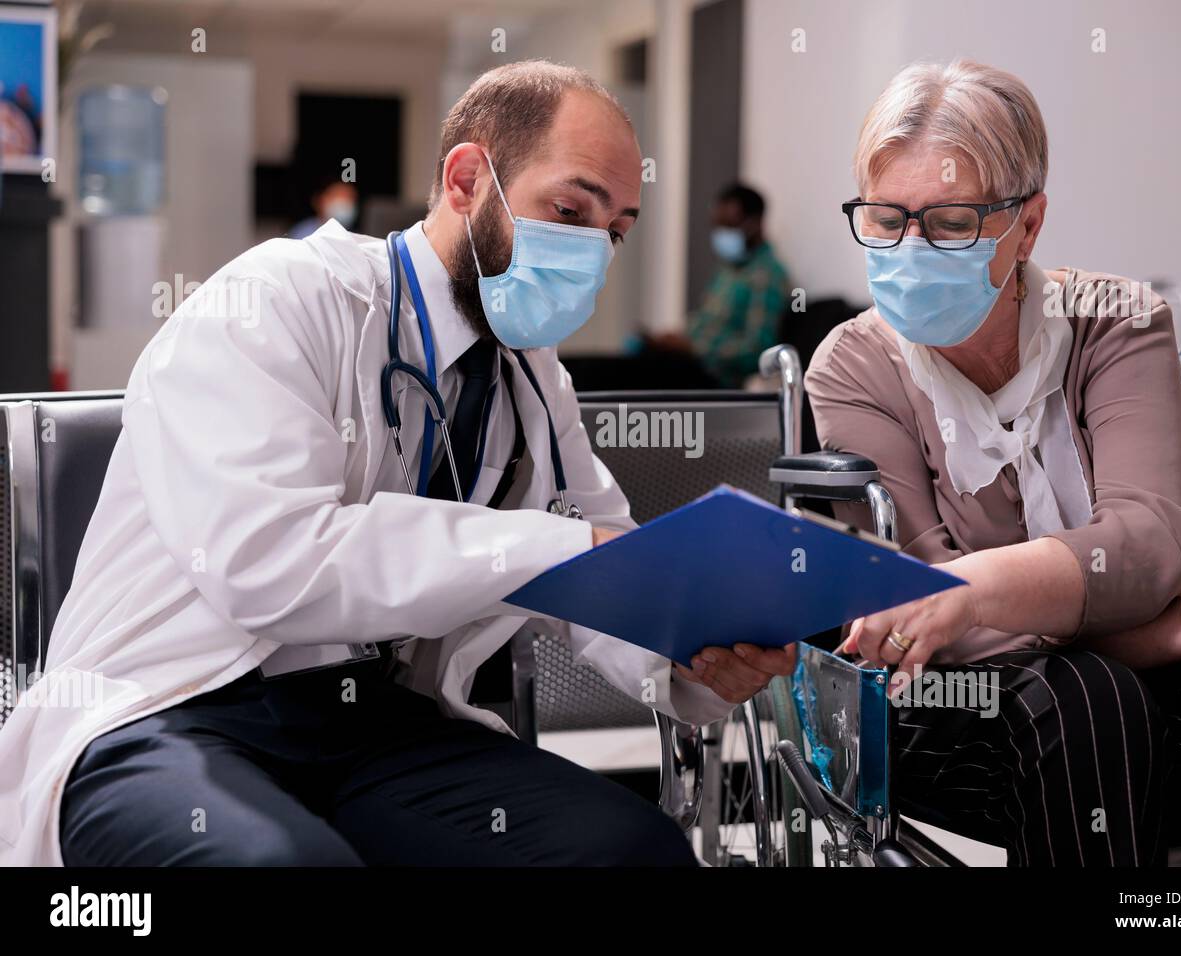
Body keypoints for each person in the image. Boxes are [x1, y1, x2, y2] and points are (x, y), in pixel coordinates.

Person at [0, 60, 794, 867]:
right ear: (465, 179)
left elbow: (609, 561)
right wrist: (562, 548)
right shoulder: (282, 299)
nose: (593, 251)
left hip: (373, 724)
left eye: (614, 231)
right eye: (569, 209)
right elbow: (269, 563)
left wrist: (692, 654)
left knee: (627, 849)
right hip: (174, 707)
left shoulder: (531, 374)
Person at [805, 58, 1181, 866]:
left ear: (1027, 225)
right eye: (887, 219)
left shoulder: (1117, 321)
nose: (910, 248)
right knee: (1088, 698)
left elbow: (1148, 545)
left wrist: (972, 595)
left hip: (1130, 694)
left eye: (952, 222)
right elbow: (925, 623)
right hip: (954, 704)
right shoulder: (853, 368)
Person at [646, 183, 792, 387]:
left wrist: (694, 348)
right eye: (717, 225)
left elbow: (758, 350)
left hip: (714, 378)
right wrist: (677, 339)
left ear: (754, 223)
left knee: (605, 373)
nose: (721, 233)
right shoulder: (728, 270)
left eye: (729, 224)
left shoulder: (766, 277)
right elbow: (707, 321)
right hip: (688, 363)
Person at [286, 174, 360, 239]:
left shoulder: (357, 238)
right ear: (319, 200)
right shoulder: (303, 235)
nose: (344, 204)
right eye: (336, 196)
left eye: (349, 197)